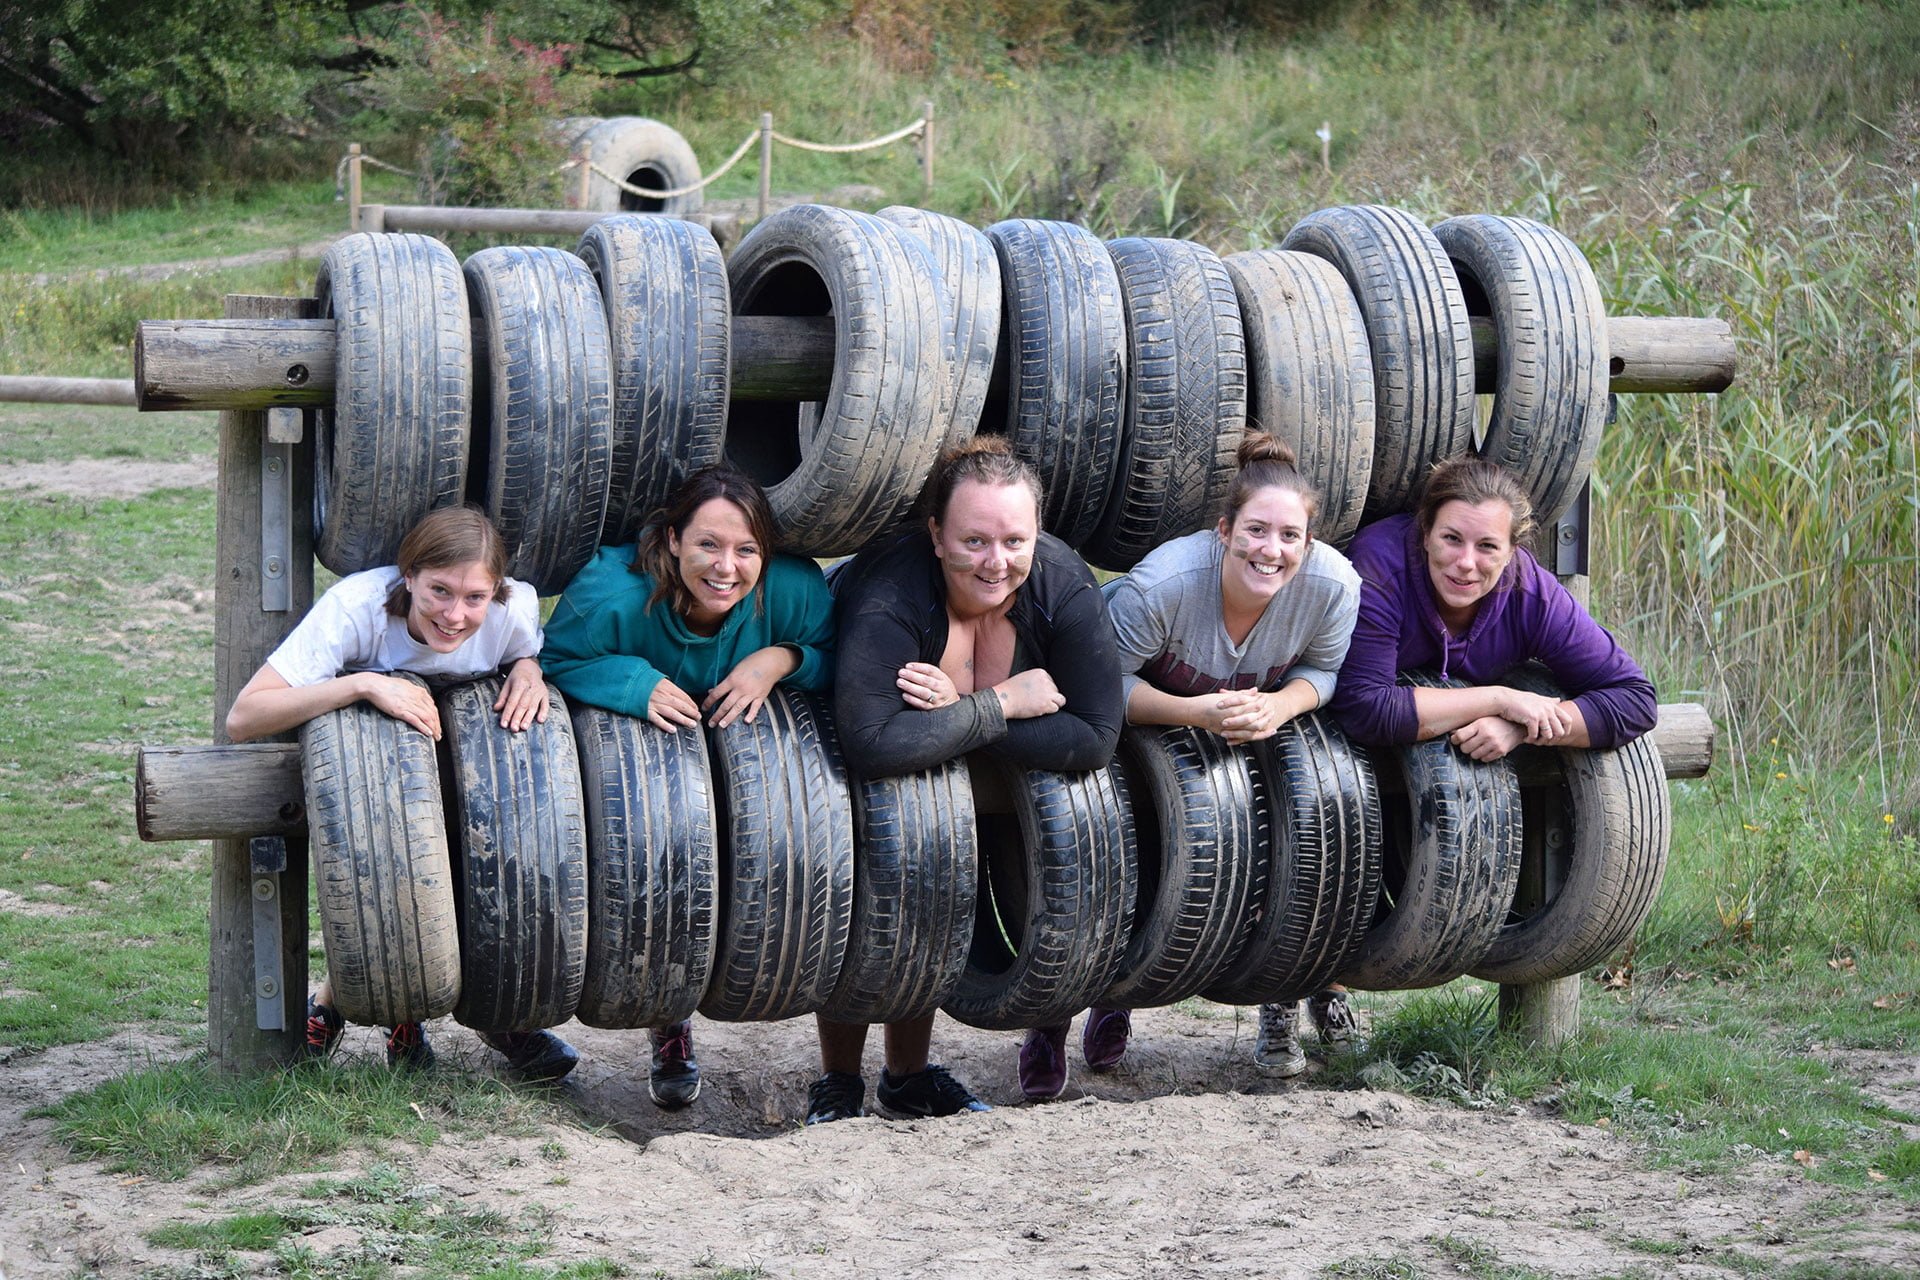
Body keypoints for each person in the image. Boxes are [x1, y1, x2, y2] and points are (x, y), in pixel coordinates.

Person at [1020, 433, 1365, 1093]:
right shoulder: (1162, 587)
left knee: (1184, 879)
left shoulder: (1330, 585)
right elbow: (1098, 690)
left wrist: (1282, 706)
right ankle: (1050, 1021)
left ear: (1310, 543)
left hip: (1232, 737)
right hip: (1128, 731)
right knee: (1107, 867)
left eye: (1290, 536)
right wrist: (1197, 710)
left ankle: (1119, 998)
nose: (1272, 549)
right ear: (1223, 530)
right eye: (1256, 531)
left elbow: (1326, 671)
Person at [821, 435, 1124, 1122]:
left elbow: (1096, 737)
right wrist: (1000, 703)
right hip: (851, 767)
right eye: (975, 541)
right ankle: (837, 1081)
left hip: (967, 777)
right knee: (870, 901)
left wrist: (957, 715)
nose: (997, 562)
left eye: (1015, 541)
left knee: (939, 900)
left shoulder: (1062, 585)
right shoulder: (891, 592)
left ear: (1038, 534)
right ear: (936, 534)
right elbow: (873, 741)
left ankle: (907, 1076)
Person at [226, 505, 577, 1081]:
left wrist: (530, 669)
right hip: (373, 771)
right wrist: (363, 683)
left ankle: (492, 1016)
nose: (455, 615)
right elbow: (246, 716)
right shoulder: (358, 607)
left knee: (490, 878)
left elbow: (524, 650)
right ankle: (388, 1013)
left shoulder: (513, 610)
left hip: (469, 760)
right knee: (395, 879)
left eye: (474, 598)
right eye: (439, 590)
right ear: (408, 575)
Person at [540, 465, 835, 1110]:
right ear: (672, 540)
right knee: (649, 870)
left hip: (750, 772)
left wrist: (778, 660)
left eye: (746, 549)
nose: (725, 567)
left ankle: (680, 1008)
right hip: (632, 777)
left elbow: (842, 653)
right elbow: (554, 660)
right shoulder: (611, 595)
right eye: (707, 544)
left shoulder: (793, 591)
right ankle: (667, 1021)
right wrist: (632, 682)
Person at [1328, 454, 1656, 761]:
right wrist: (1500, 700)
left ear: (1512, 550)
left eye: (1487, 546)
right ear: (1426, 534)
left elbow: (1634, 699)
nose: (1466, 563)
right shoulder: (1378, 571)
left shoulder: (1531, 595)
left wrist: (1521, 727)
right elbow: (1364, 708)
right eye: (1452, 539)